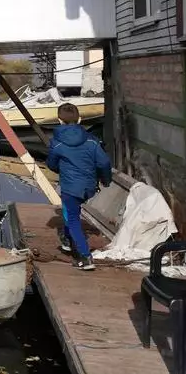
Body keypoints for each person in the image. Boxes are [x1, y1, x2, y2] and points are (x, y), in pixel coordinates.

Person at [47, 102, 112, 271]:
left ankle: (85, 257)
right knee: (71, 213)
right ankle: (68, 240)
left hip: (70, 187)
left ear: (60, 121)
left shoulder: (57, 143)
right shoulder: (92, 140)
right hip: (89, 187)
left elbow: (51, 164)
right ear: (80, 119)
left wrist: (62, 170)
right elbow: (104, 162)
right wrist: (105, 179)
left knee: (73, 219)